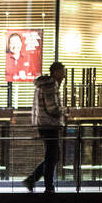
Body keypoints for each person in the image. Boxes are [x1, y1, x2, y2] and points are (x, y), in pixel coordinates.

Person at [24, 61, 66, 194]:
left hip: (43, 124)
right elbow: (52, 108)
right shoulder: (50, 85)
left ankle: (33, 180)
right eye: (62, 72)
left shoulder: (43, 85)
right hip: (49, 124)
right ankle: (47, 187)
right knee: (52, 156)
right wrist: (65, 111)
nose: (64, 76)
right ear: (56, 72)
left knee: (53, 156)